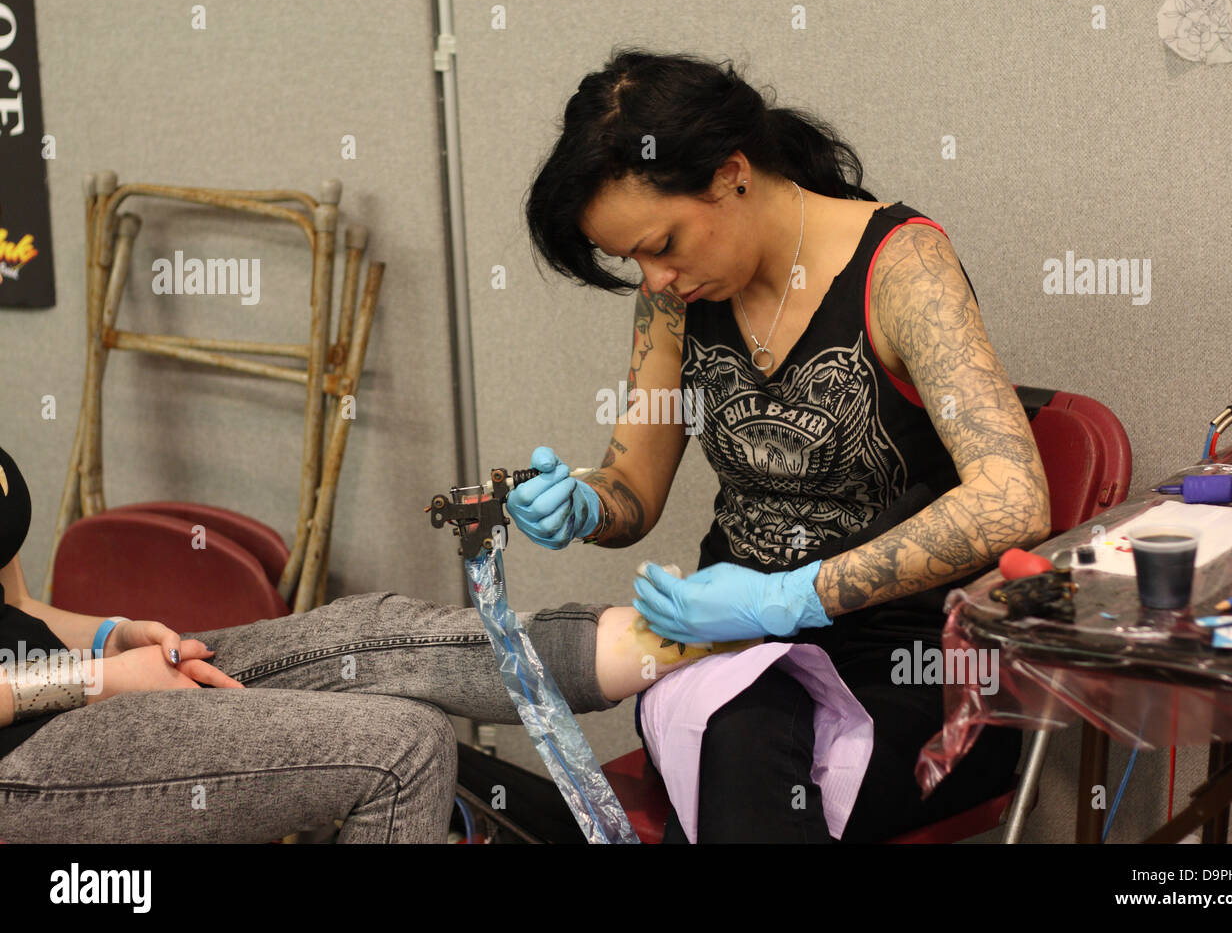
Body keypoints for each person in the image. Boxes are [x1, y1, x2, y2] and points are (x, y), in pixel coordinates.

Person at [515, 47, 1052, 842]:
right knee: (739, 728)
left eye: (662, 244)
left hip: (912, 659)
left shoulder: (901, 267)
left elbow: (1014, 501)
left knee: (750, 756)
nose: (654, 280)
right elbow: (634, 485)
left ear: (732, 173)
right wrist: (585, 501)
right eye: (631, 260)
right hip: (735, 647)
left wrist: (796, 596)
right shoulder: (674, 304)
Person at [0, 443, 740, 842]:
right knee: (404, 746)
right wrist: (101, 680)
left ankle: (692, 634)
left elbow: (19, 607)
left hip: (77, 672)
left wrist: (110, 635)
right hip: (21, 746)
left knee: (371, 631)